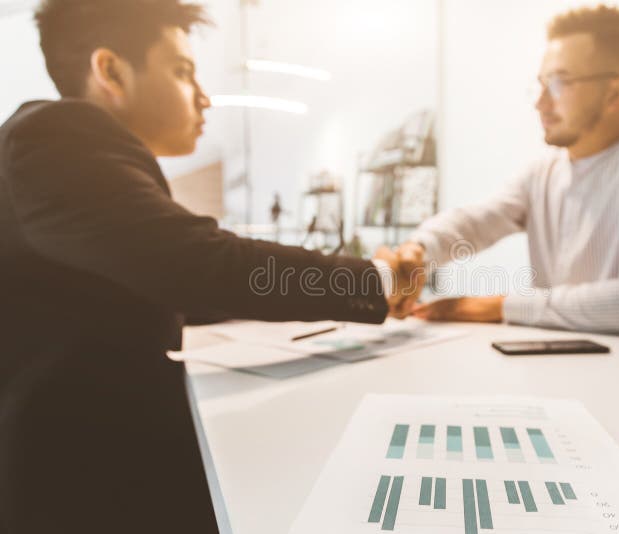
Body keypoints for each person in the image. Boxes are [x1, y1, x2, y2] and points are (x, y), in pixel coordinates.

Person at [0, 1, 412, 532]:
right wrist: (375, 279)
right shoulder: (53, 137)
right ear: (111, 71)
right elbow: (201, 262)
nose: (204, 96)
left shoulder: (80, 154)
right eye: (182, 71)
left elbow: (150, 281)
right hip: (83, 480)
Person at [392, 5, 619, 338]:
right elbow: (477, 220)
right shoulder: (542, 174)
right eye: (541, 83)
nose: (540, 102)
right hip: (554, 375)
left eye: (560, 83)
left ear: (616, 92)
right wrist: (419, 250)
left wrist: (497, 306)